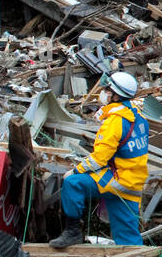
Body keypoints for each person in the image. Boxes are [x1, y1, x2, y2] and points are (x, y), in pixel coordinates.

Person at [49, 70, 149, 247]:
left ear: (116, 96)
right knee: (128, 238)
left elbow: (98, 160)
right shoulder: (139, 117)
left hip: (116, 179)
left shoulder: (114, 122)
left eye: (108, 91)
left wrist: (74, 170)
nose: (104, 93)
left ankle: (72, 232)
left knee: (73, 183)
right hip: (133, 181)